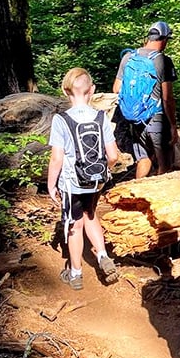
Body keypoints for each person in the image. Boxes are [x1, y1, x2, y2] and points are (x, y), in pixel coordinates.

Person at [47, 68, 120, 289]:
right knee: (91, 215)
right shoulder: (101, 117)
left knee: (74, 226)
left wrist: (51, 184)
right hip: (96, 179)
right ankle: (102, 256)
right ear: (92, 90)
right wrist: (102, 171)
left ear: (65, 91)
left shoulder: (61, 120)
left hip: (71, 182)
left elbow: (56, 158)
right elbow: (114, 155)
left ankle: (76, 274)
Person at [112, 21, 178, 178]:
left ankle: (135, 197)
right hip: (157, 119)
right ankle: (159, 199)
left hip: (135, 120)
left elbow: (116, 88)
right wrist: (173, 126)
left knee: (143, 158)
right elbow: (167, 98)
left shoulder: (129, 57)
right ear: (164, 39)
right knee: (165, 165)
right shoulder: (163, 60)